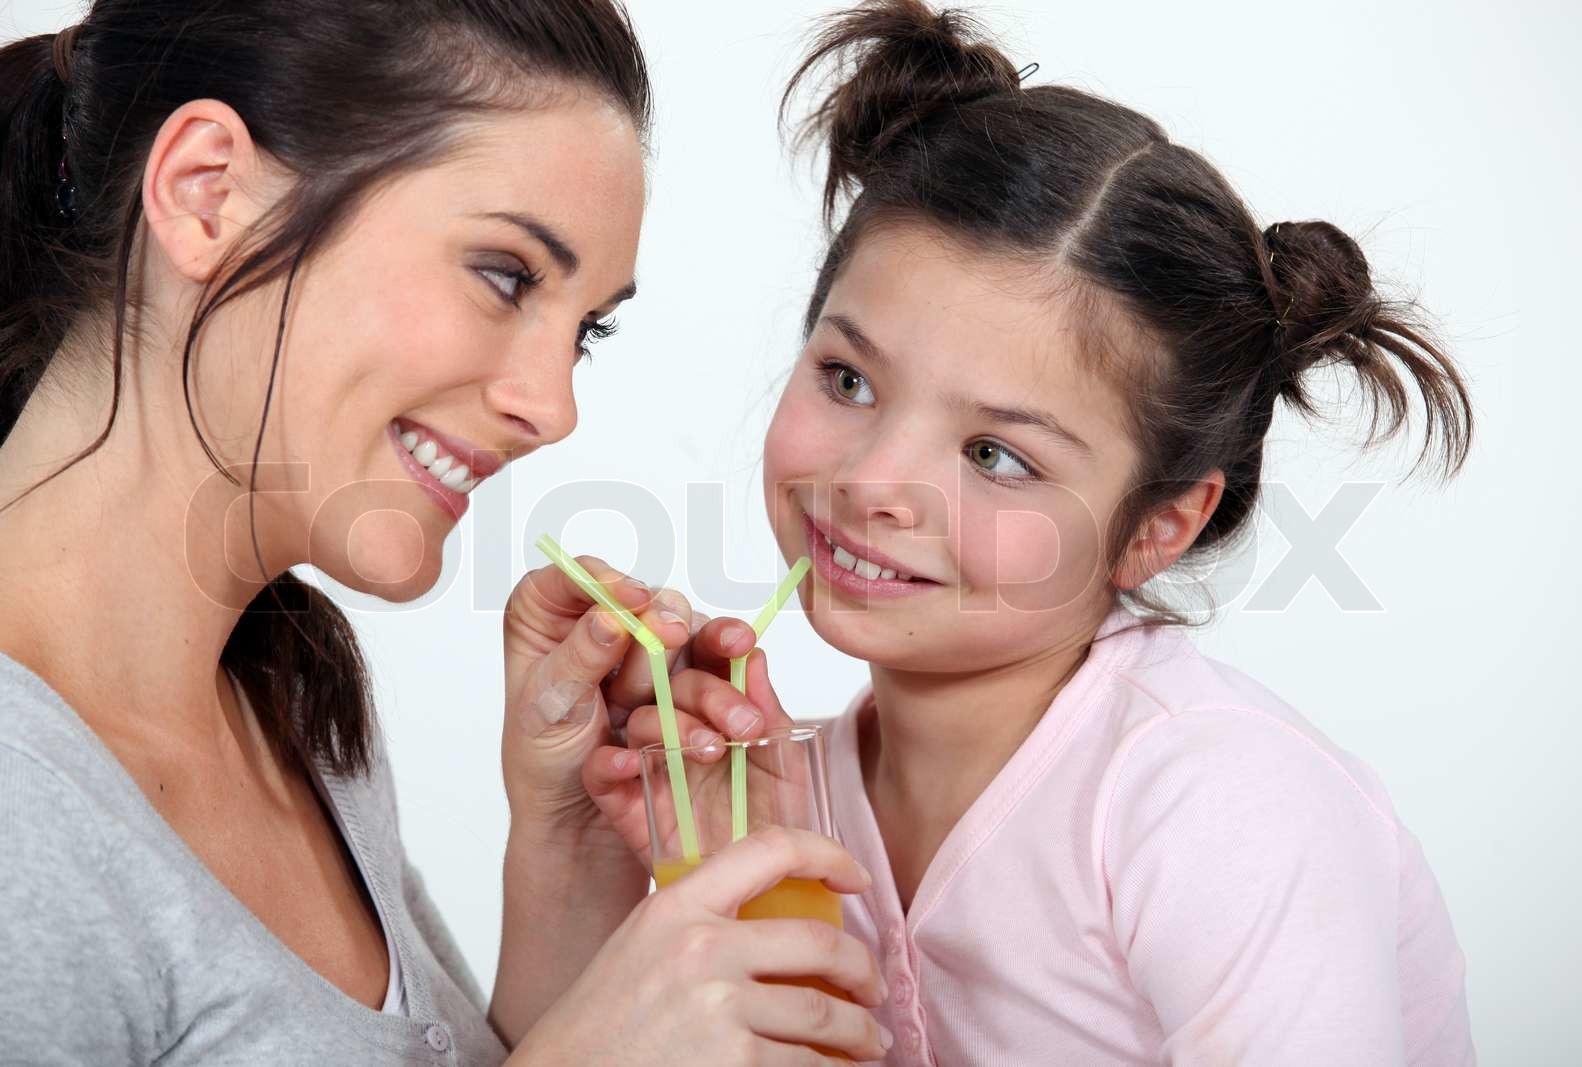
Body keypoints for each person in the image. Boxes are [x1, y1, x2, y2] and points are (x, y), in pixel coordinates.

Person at [0, 2, 893, 1064]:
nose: (553, 408)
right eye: (507, 275)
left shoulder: (288, 698)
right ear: (208, 195)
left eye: (585, 330)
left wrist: (568, 847)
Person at [584, 2, 1476, 1063]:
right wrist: (766, 916)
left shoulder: (1217, 808)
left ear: (1157, 525)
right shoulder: (783, 802)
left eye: (995, 455)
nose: (872, 481)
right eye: (849, 378)